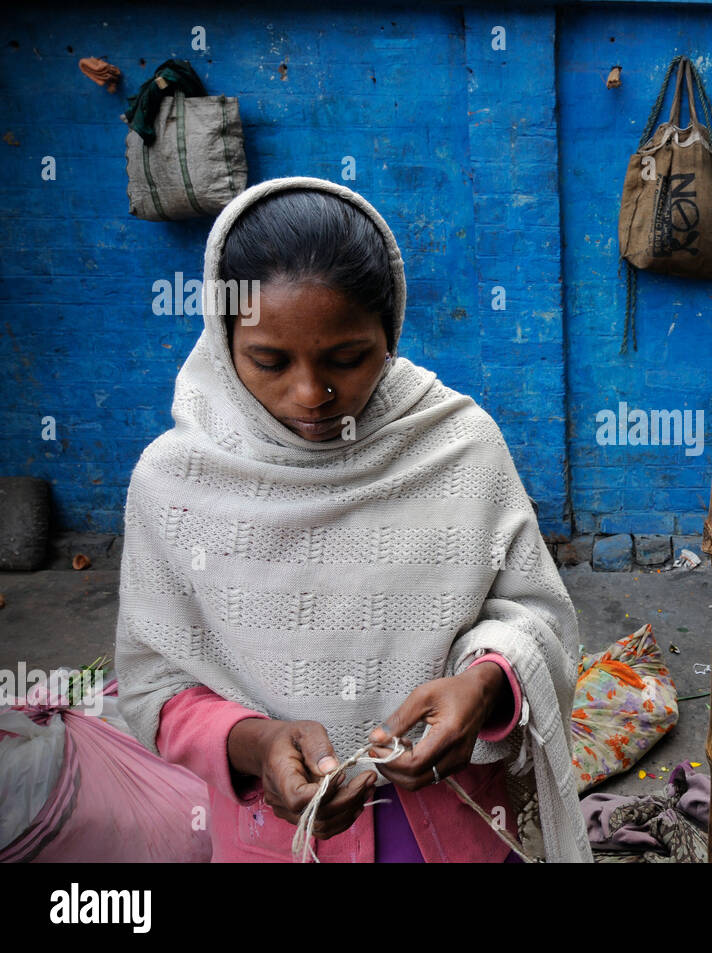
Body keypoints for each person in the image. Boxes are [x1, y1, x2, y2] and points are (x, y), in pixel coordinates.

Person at [114, 176, 592, 862]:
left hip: (451, 826)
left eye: (347, 358)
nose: (312, 393)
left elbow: (536, 615)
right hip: (275, 838)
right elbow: (156, 685)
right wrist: (255, 742)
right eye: (269, 361)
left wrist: (485, 684)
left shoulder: (458, 445)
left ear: (390, 333)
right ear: (223, 341)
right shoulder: (175, 484)